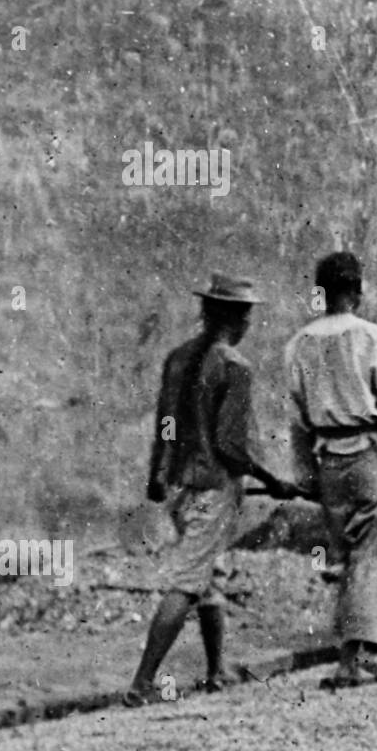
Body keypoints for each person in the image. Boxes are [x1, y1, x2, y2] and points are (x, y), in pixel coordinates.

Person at [128, 273, 299, 707]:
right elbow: (230, 445)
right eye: (247, 314)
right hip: (214, 490)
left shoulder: (177, 358)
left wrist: (156, 474)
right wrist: (271, 479)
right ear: (237, 317)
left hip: (180, 487)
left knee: (210, 576)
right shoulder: (235, 366)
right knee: (188, 581)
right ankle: (142, 683)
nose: (249, 322)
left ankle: (216, 670)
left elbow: (165, 425)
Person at [286, 252, 377, 689]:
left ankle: (359, 653)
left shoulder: (298, 343)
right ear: (358, 290)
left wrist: (305, 476)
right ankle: (349, 662)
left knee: (347, 559)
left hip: (328, 461)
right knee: (374, 559)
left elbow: (295, 419)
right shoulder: (372, 337)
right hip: (369, 458)